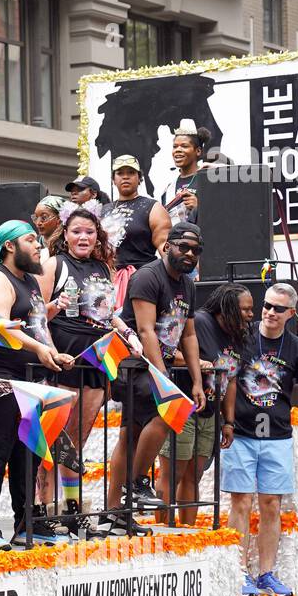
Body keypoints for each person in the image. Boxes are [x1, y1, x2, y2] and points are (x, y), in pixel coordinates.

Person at [225, 283, 298, 596]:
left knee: (271, 504)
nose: (270, 312)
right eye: (267, 306)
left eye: (278, 309)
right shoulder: (242, 337)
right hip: (241, 434)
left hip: (277, 436)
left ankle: (266, 574)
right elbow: (225, 379)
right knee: (241, 502)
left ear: (291, 313)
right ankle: (238, 572)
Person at [0, 220, 73, 551]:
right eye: (31, 239)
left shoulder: (30, 281)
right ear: (9, 246)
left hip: (30, 382)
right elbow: (1, 327)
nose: (38, 246)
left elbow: (37, 327)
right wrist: (40, 349)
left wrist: (55, 353)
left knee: (26, 454)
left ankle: (25, 521)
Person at [104, 221, 206, 535]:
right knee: (170, 412)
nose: (189, 254)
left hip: (154, 366)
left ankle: (114, 512)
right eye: (183, 247)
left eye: (195, 250)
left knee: (129, 436)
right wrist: (163, 377)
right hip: (132, 363)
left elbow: (188, 335)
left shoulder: (186, 283)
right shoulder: (148, 277)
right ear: (166, 246)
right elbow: (146, 330)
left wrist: (198, 380)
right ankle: (135, 484)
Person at [39, 201, 129, 538]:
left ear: (98, 235)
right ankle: (43, 509)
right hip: (63, 357)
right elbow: (37, 316)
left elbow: (108, 314)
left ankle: (73, 510)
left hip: (95, 358)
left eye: (89, 232)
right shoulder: (53, 265)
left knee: (77, 440)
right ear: (66, 233)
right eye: (77, 231)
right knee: (52, 438)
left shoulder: (104, 269)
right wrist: (48, 348)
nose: (83, 237)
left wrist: (127, 333)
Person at [157, 282, 252, 525]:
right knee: (172, 475)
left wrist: (228, 421)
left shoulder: (238, 336)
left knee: (194, 475)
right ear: (227, 308)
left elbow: (230, 381)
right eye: (245, 309)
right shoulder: (198, 321)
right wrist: (195, 361)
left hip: (209, 413)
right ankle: (164, 529)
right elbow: (164, 351)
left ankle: (188, 532)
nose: (251, 315)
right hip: (183, 406)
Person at [100, 154, 172, 297]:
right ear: (113, 179)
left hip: (143, 279)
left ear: (140, 178)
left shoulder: (153, 207)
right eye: (120, 173)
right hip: (108, 281)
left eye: (131, 173)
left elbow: (166, 248)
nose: (125, 177)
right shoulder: (103, 211)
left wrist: (174, 282)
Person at [167, 120, 210, 226]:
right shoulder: (169, 188)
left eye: (184, 146)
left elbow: (225, 215)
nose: (178, 150)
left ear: (198, 151)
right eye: (175, 146)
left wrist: (199, 207)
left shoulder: (209, 179)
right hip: (174, 241)